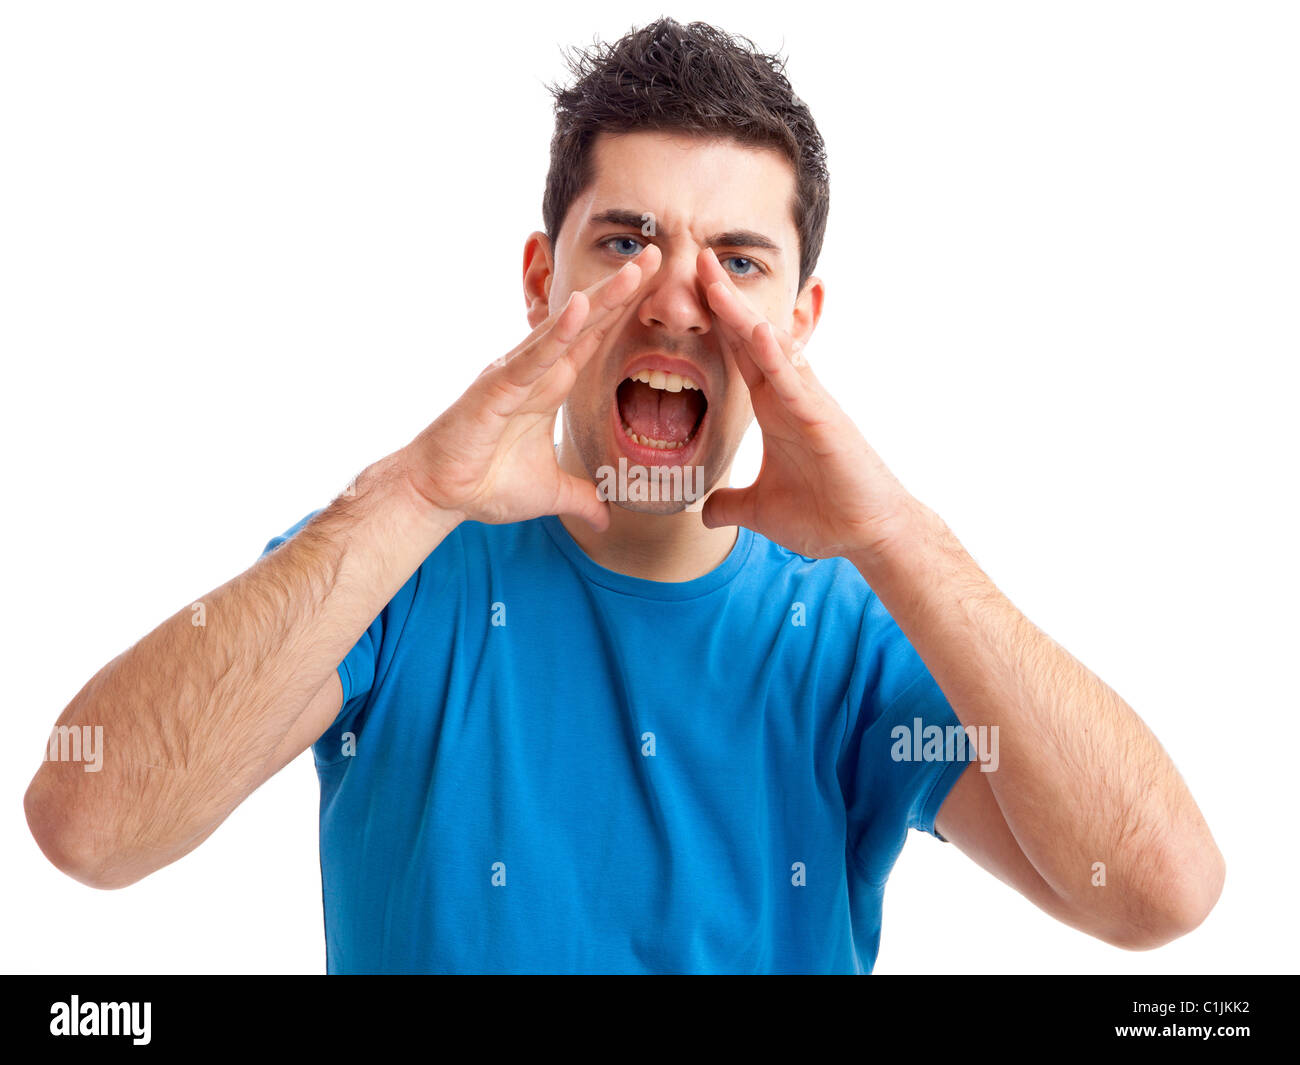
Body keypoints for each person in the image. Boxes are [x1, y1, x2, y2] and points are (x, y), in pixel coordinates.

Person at [24, 18, 1224, 974]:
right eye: (627, 243)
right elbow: (87, 823)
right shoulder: (398, 571)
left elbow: (1160, 893)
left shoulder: (855, 640)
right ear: (543, 277)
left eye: (738, 263)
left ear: (798, 324)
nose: (675, 301)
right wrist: (412, 492)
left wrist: (897, 535)